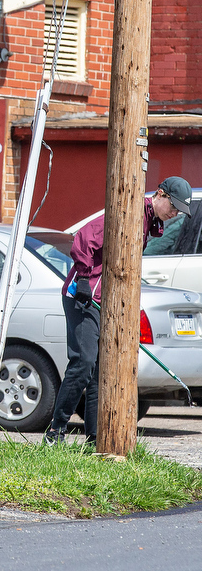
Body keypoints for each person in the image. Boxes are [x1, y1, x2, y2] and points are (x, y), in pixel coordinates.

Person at [45, 175, 193, 446]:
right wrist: (83, 278)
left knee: (101, 370)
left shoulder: (149, 221)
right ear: (160, 194)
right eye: (174, 207)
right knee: (83, 363)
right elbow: (84, 238)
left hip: (105, 301)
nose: (174, 214)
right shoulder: (130, 211)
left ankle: (94, 438)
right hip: (82, 295)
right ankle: (55, 431)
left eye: (179, 212)